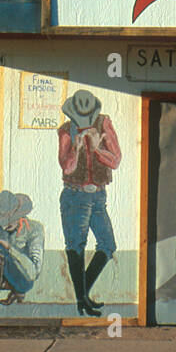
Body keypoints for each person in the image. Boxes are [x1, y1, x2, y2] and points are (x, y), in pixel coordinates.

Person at [58, 89, 122, 317]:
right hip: (75, 196)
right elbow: (66, 168)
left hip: (98, 196)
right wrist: (75, 148)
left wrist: (97, 148)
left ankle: (83, 296)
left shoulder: (104, 124)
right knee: (76, 246)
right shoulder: (66, 131)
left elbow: (116, 160)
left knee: (107, 244)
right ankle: (82, 300)